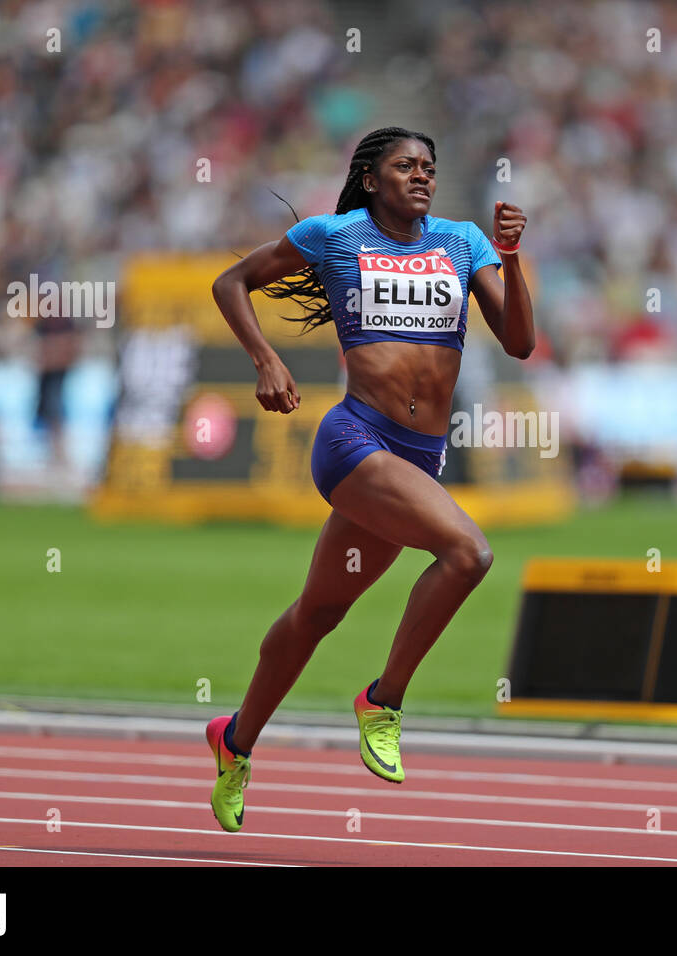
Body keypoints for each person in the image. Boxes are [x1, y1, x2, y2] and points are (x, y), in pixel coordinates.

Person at [205, 127, 533, 832]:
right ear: (372, 177)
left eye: (429, 168)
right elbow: (230, 282)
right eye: (406, 166)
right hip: (353, 440)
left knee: (317, 614)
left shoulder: (463, 241)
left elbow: (520, 342)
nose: (422, 177)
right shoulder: (336, 236)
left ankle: (234, 742)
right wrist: (265, 359)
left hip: (416, 459)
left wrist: (511, 259)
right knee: (469, 553)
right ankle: (383, 700)